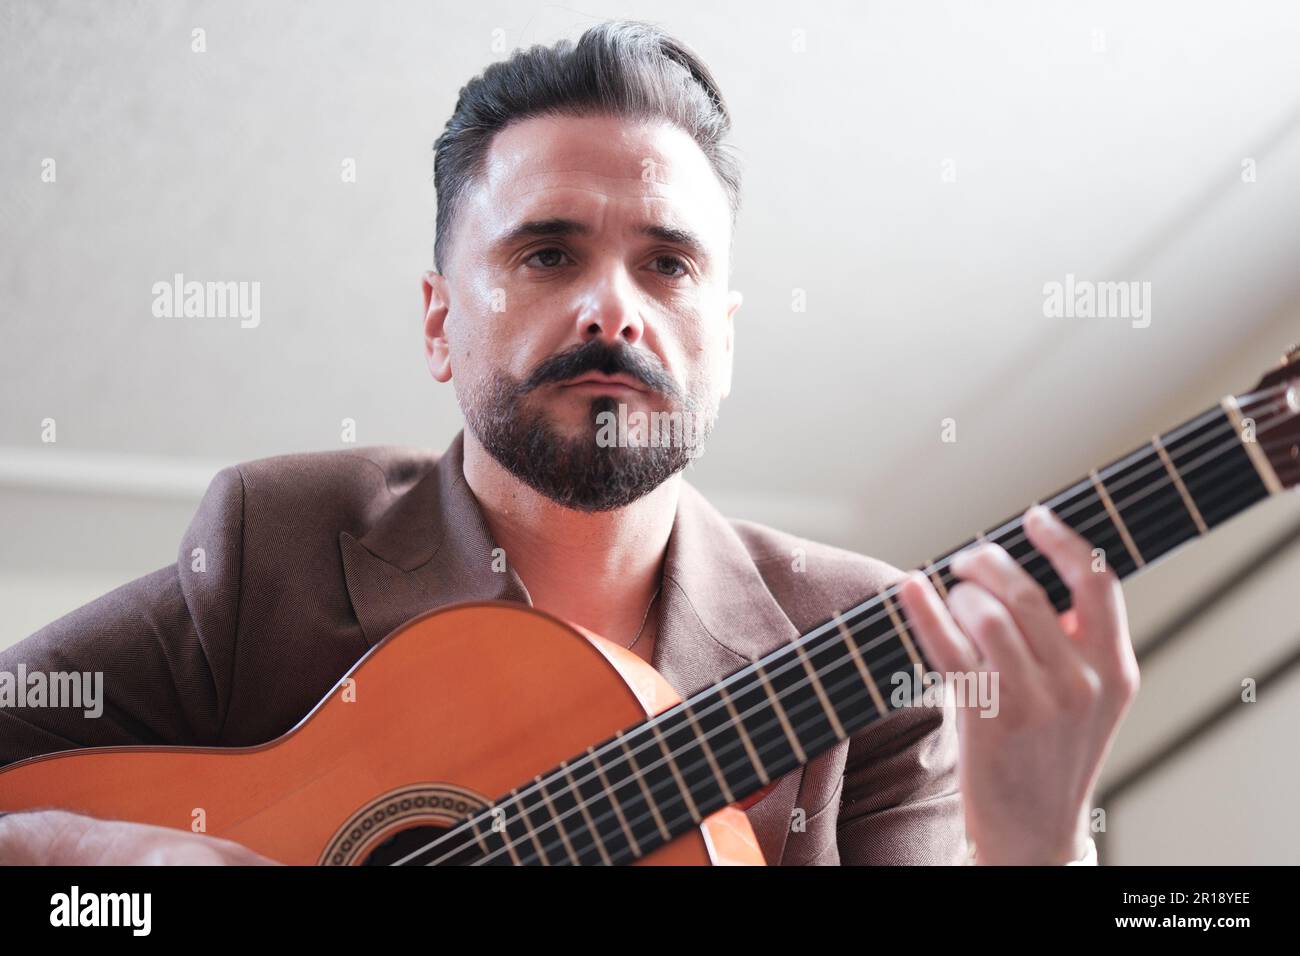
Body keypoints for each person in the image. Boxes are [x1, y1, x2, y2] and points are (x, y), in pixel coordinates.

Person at [0, 19, 1136, 865]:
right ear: (441, 320)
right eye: (547, 254)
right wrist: (134, 869)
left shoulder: (872, 660)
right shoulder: (279, 550)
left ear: (721, 341)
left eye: (668, 263)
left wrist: (1039, 845)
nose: (612, 308)